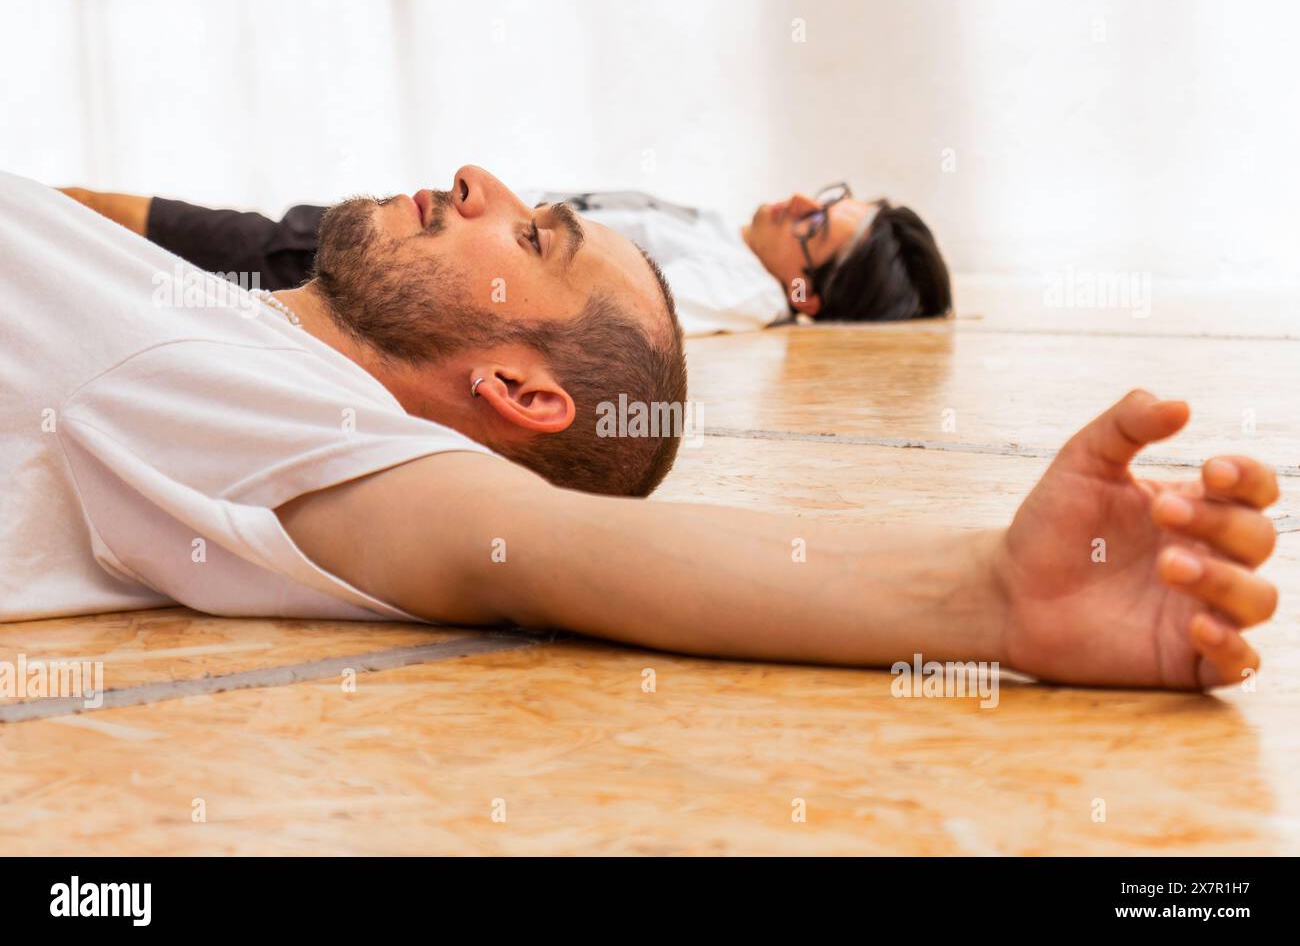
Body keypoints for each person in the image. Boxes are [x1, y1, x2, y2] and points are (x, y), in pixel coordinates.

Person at [3, 167, 1277, 692]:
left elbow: (551, 546)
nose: (476, 182)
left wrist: (990, 592)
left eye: (532, 239)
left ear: (519, 394)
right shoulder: (215, 333)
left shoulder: (256, 406)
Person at [60, 181, 952, 336]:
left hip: (393, 259)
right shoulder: (729, 243)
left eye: (819, 227)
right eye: (829, 196)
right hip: (407, 238)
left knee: (160, 232)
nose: (802, 203)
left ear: (808, 291)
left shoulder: (731, 293)